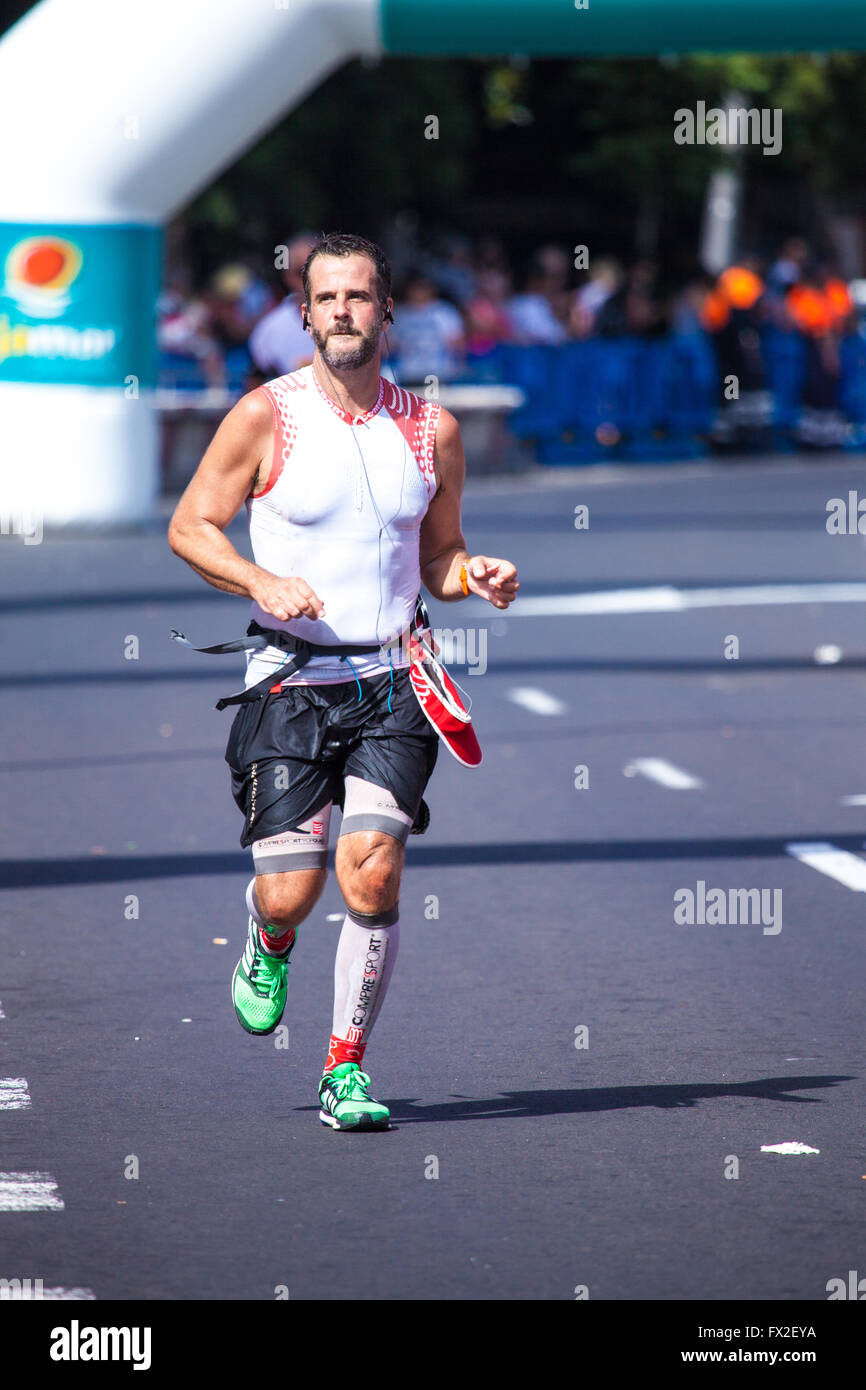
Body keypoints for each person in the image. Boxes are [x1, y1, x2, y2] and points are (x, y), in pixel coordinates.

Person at [167, 232, 519, 1130]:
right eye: (327, 300)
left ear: (387, 310)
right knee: (293, 886)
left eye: (360, 298)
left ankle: (345, 1069)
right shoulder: (264, 415)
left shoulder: (431, 429)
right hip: (288, 681)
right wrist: (260, 581)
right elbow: (192, 525)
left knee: (372, 874)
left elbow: (437, 555)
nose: (344, 314)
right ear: (305, 314)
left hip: (395, 679)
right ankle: (269, 933)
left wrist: (474, 575)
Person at [247, 231, 318, 379]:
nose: (308, 280)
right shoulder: (269, 331)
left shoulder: (350, 319)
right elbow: (255, 384)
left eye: (316, 270)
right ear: (287, 276)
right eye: (300, 272)